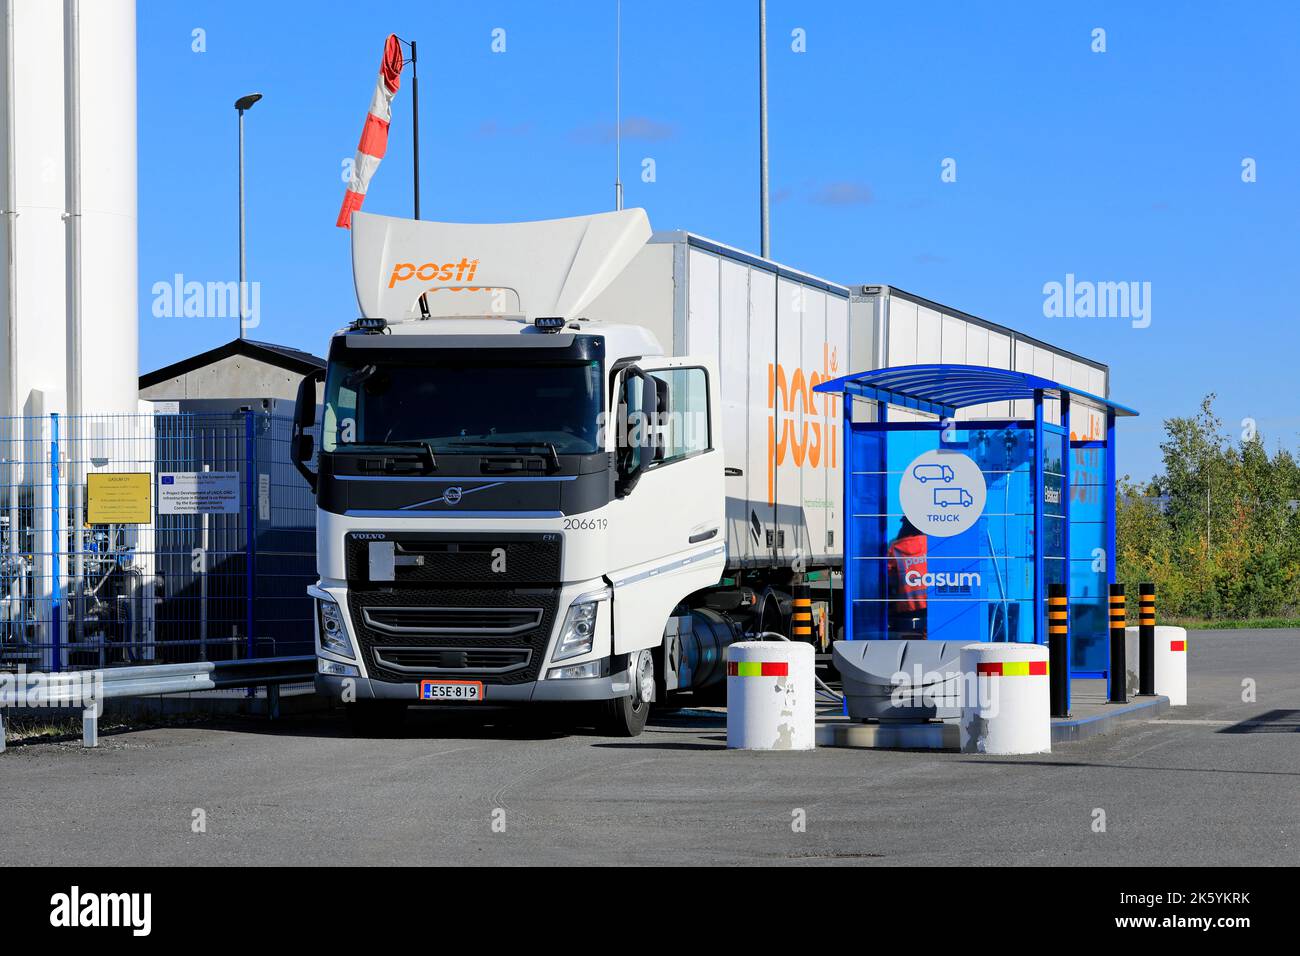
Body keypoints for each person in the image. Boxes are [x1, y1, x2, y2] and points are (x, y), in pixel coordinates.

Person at [887, 517, 928, 638]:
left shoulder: (895, 549)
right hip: (930, 605)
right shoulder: (929, 544)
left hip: (906, 608)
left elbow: (888, 578)